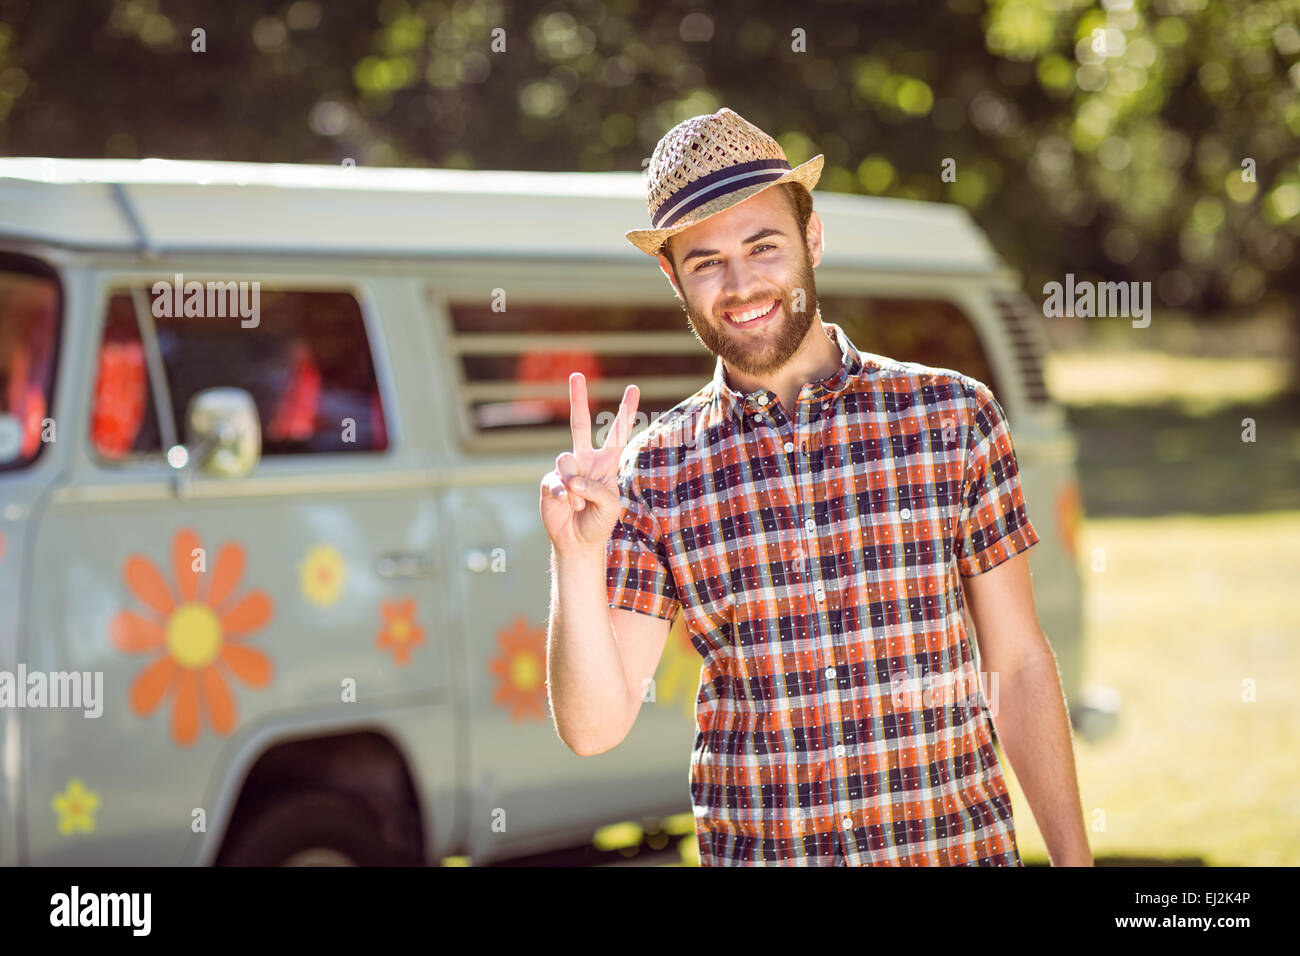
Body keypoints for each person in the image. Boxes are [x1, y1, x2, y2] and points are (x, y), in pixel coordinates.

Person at [541, 107, 1092, 867]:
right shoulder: (654, 471)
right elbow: (593, 727)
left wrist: (1074, 862)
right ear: (673, 278)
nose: (741, 285)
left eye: (763, 246)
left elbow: (1021, 663)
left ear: (813, 240)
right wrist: (574, 556)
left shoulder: (954, 417)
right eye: (706, 262)